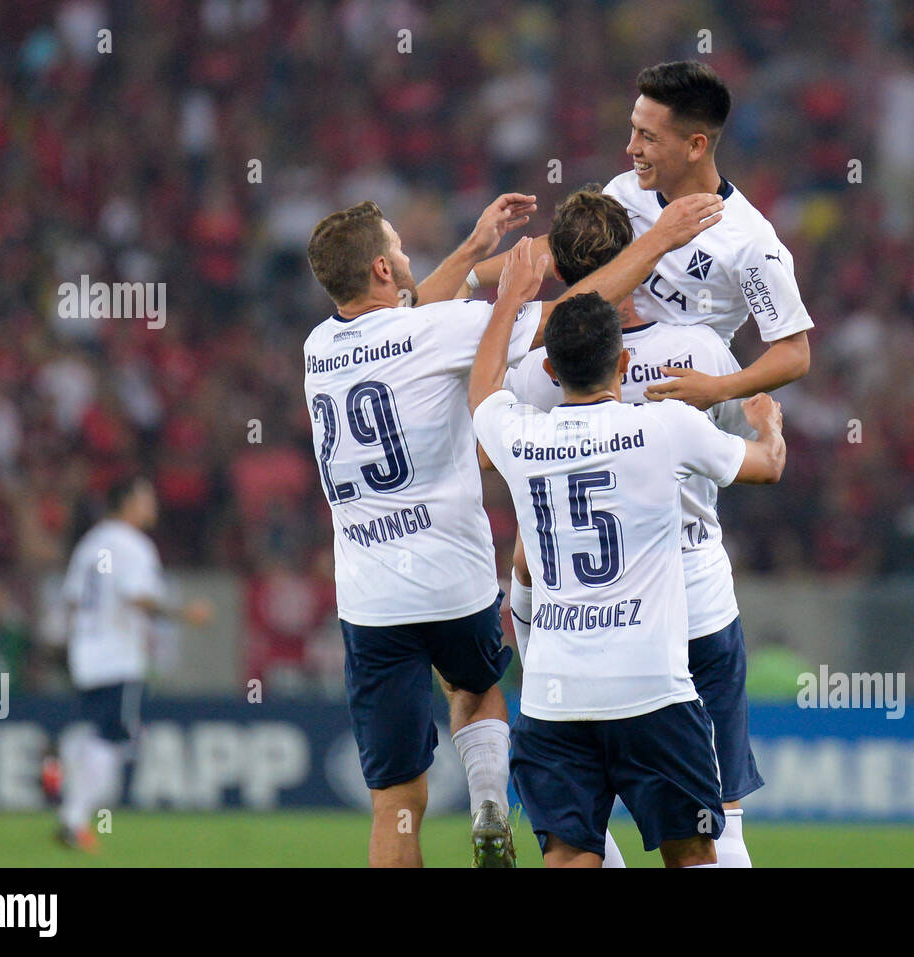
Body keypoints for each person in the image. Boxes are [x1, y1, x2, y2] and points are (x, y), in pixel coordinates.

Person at [302, 190, 722, 867]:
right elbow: (566, 319)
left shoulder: (319, 344)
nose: (409, 254)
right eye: (399, 246)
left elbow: (413, 316)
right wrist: (658, 239)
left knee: (396, 806)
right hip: (452, 581)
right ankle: (490, 796)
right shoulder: (437, 330)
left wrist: (472, 252)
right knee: (474, 686)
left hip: (368, 598)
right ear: (382, 269)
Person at [469, 238, 786, 867]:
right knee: (695, 854)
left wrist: (509, 301)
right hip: (654, 694)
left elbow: (483, 391)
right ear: (622, 364)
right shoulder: (665, 427)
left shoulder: (520, 435)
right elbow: (766, 467)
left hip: (555, 695)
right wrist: (768, 422)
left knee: (567, 855)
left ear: (552, 373)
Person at [468, 60, 813, 408]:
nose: (631, 148)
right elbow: (566, 249)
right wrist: (469, 277)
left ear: (695, 146)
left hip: (675, 388)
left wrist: (721, 388)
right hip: (605, 374)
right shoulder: (626, 190)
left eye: (648, 137)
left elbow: (794, 353)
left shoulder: (750, 239)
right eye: (634, 130)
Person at [58, 474, 211, 851]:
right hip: (117, 658)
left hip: (86, 655)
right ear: (127, 502)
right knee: (114, 736)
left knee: (104, 732)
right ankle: (73, 821)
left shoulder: (90, 543)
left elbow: (74, 600)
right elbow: (137, 597)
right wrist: (182, 613)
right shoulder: (132, 545)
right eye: (146, 498)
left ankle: (66, 790)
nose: (152, 505)